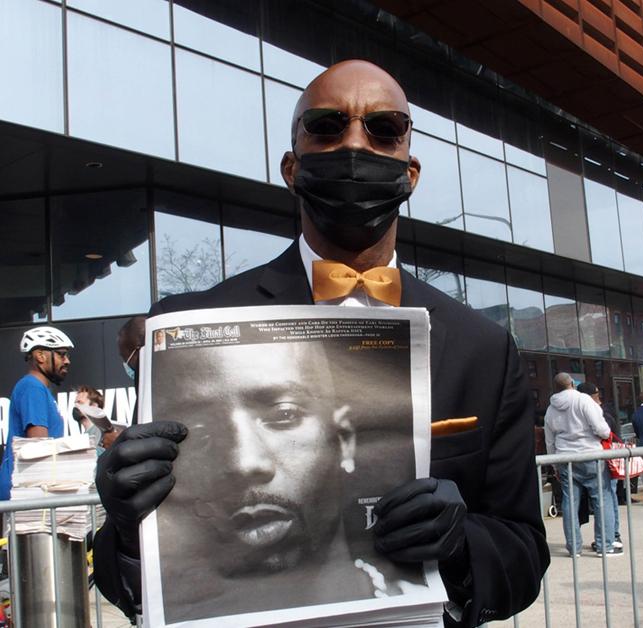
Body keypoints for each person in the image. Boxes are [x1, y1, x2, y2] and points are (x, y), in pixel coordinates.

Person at [92, 60, 549, 626]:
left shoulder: (482, 346)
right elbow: (132, 586)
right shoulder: (190, 332)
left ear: (410, 171)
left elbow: (524, 553)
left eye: (383, 130)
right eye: (327, 126)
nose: (354, 144)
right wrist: (128, 528)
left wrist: (460, 546)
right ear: (291, 166)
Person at [150, 340, 426, 621]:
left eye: (284, 415)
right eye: (198, 431)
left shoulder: (422, 609)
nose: (244, 462)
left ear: (343, 440)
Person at [544, 373, 618, 557]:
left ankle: (574, 547)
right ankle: (604, 545)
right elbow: (601, 429)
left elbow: (549, 441)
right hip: (590, 454)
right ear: (572, 383)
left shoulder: (551, 409)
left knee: (570, 502)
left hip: (564, 458)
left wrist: (554, 463)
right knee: (602, 500)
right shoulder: (584, 401)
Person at [1, 326, 74, 500]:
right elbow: (39, 445)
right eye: (61, 354)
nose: (67, 361)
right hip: (24, 491)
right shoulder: (32, 387)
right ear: (40, 356)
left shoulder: (38, 388)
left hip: (28, 488)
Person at [577, 381, 622, 551]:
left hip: (605, 461)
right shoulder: (599, 411)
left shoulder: (599, 413)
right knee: (608, 499)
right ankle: (611, 536)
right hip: (603, 461)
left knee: (607, 499)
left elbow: (606, 432)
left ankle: (612, 536)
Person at [72, 385, 117, 454]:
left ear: (94, 406)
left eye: (80, 402)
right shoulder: (87, 434)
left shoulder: (102, 431)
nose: (76, 406)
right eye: (75, 403)